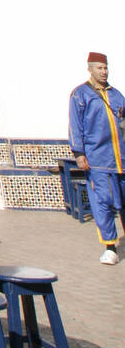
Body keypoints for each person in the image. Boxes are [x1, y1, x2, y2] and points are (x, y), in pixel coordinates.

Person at [68, 51, 125, 265]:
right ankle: (110, 246)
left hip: (121, 160)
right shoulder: (80, 95)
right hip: (98, 160)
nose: (104, 71)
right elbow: (75, 126)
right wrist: (79, 153)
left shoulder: (117, 95)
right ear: (90, 69)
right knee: (103, 202)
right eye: (99, 68)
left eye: (106, 67)